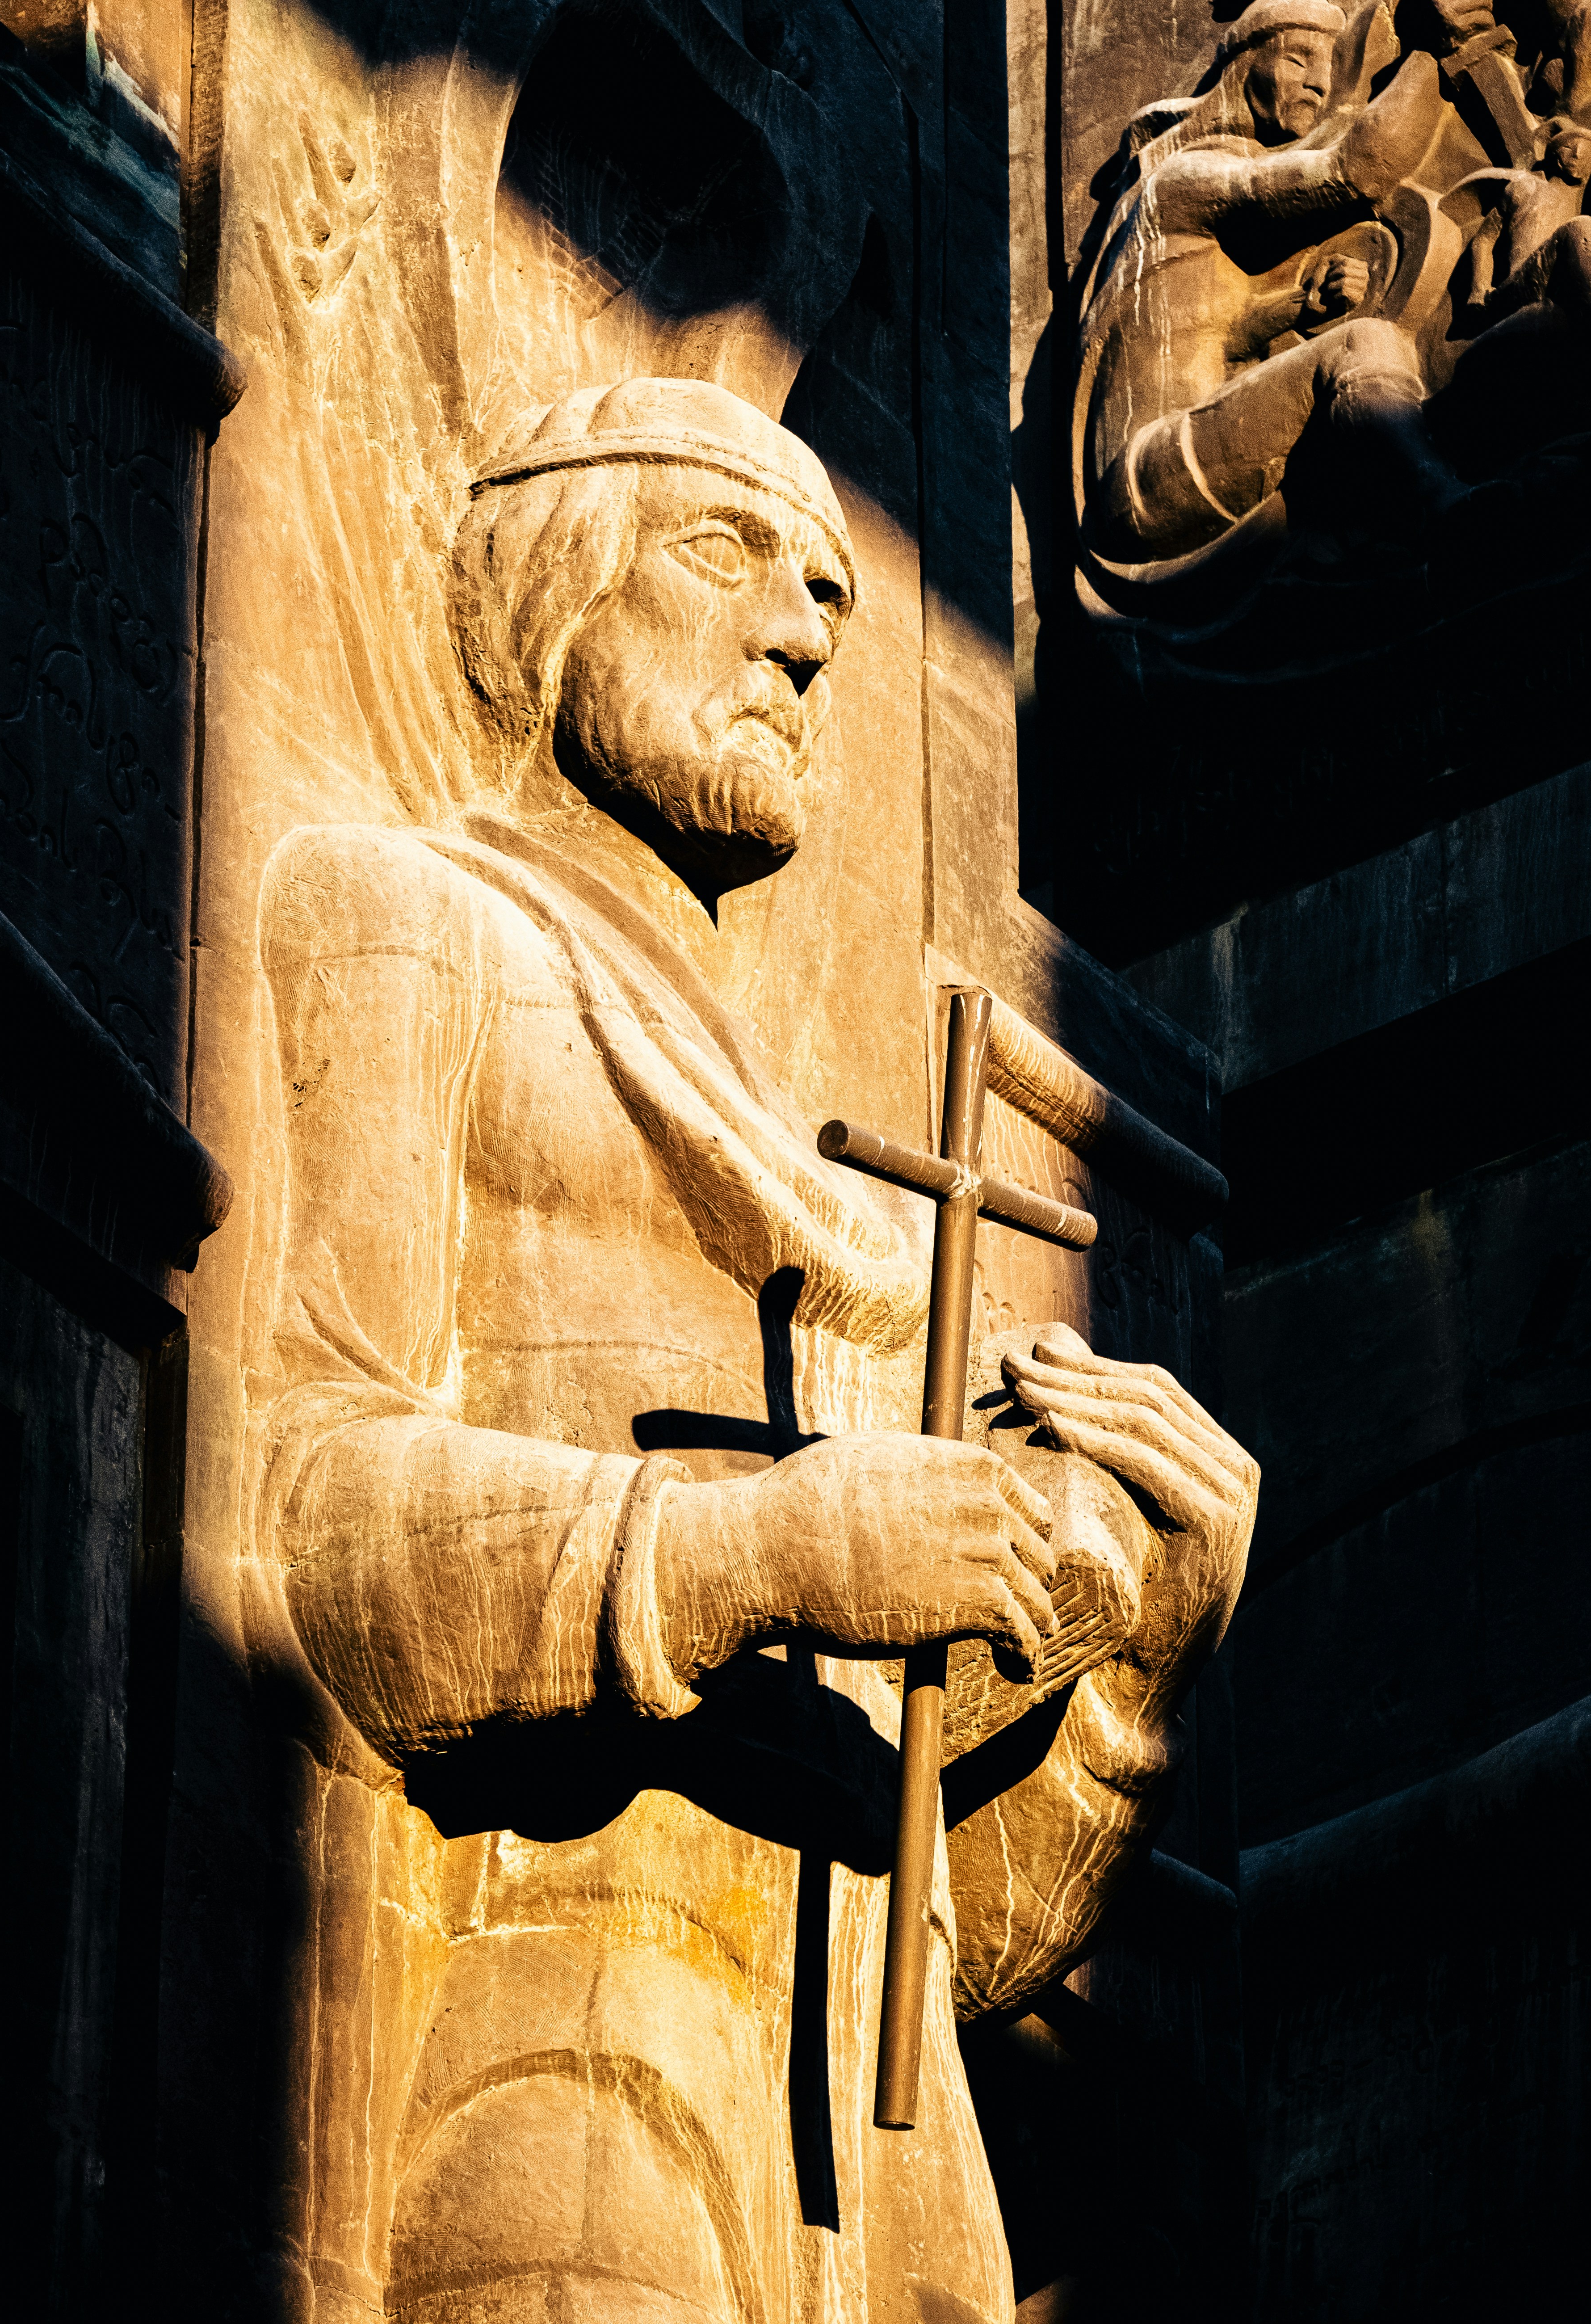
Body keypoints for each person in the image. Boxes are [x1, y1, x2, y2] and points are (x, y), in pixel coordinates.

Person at [253, 379, 1258, 2324]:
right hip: (579, 2026)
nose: (803, 630)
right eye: (732, 550)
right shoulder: (414, 925)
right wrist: (762, 1553)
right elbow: (317, 1512)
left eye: (826, 585)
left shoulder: (853, 1182)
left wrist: (1135, 1657)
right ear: (553, 583)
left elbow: (949, 1938)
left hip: (894, 2189)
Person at [1079, 0, 1468, 560]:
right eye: (1296, 60)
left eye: (1327, 69)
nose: (1316, 84)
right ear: (1243, 67)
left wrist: (1299, 308)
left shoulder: (1200, 208)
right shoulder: (1183, 178)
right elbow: (1353, 170)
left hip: (1180, 450)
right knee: (1365, 343)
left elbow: (1202, 335)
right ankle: (1445, 509)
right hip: (1147, 477)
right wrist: (1434, 52)